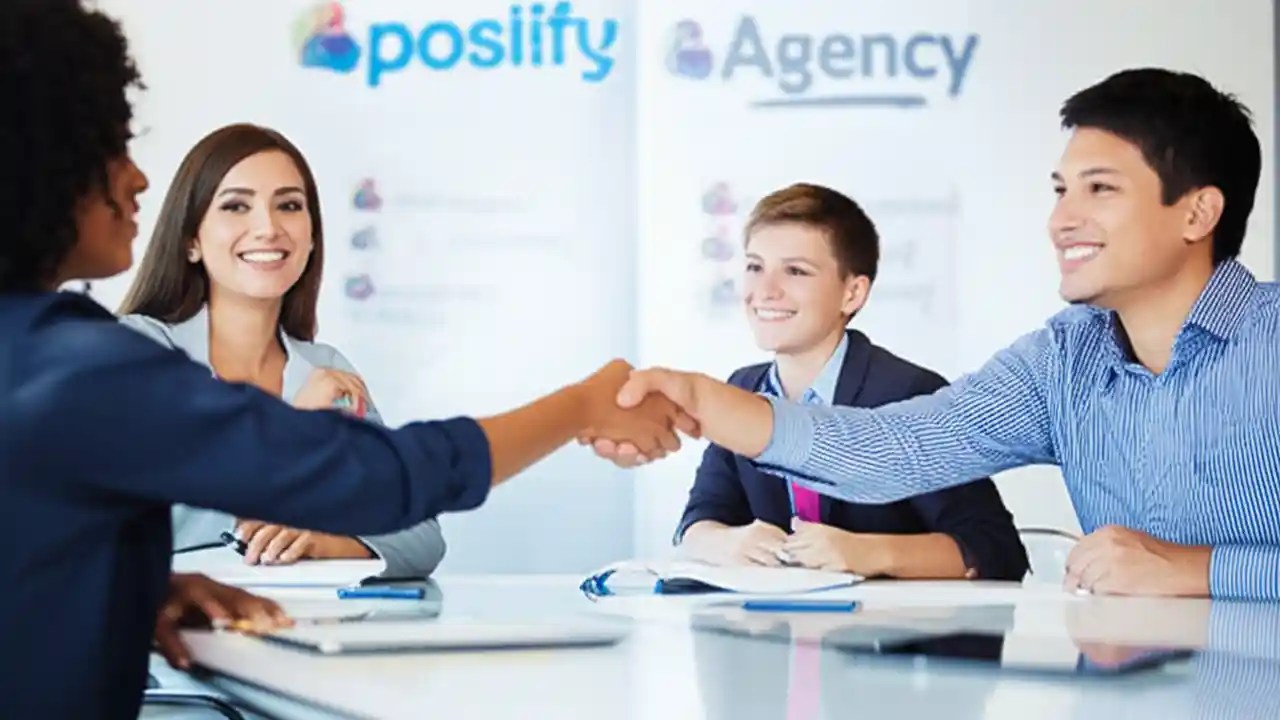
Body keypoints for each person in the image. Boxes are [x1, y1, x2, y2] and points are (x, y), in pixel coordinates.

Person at [0, 2, 688, 717]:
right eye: (112, 146)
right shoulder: (84, 364)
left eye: (289, 206)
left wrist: (141, 590)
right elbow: (386, 476)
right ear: (45, 162)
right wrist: (582, 404)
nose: (137, 179)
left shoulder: (37, 353)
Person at [595, 68, 1280, 602]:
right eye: (1059, 191)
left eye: (1098, 190)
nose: (1061, 221)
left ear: (1197, 212)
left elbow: (999, 548)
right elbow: (894, 448)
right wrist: (698, 399)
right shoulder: (1064, 358)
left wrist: (1197, 570)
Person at [119, 123, 446, 576]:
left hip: (290, 634)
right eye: (236, 206)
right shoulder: (138, 346)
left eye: (289, 206)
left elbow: (420, 534)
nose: (268, 228)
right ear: (191, 239)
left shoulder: (326, 368)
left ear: (311, 238)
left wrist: (323, 544)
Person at [676, 183, 1027, 581]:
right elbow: (698, 521)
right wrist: (728, 543)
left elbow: (994, 548)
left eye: (795, 271)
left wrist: (866, 552)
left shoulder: (911, 392)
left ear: (852, 293)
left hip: (892, 636)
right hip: (774, 632)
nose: (765, 291)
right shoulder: (741, 390)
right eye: (755, 267)